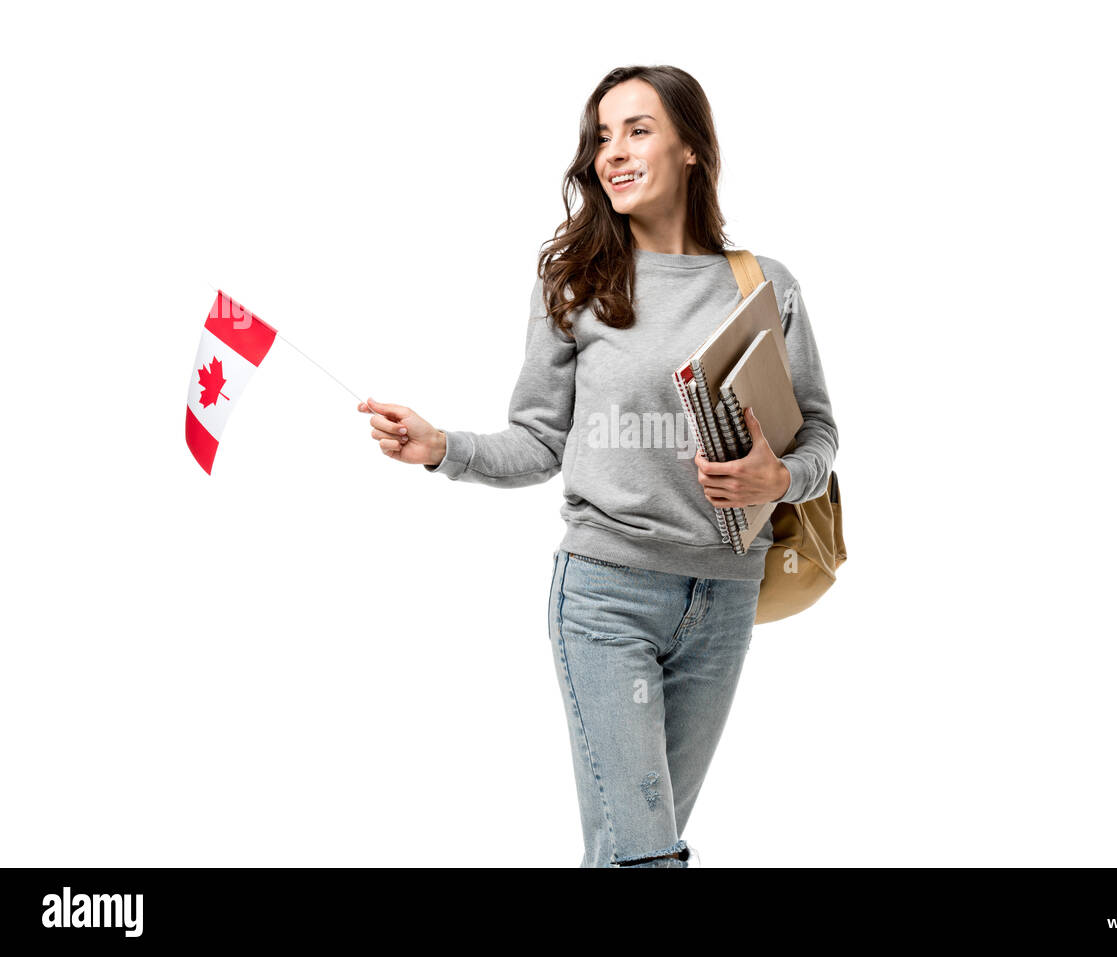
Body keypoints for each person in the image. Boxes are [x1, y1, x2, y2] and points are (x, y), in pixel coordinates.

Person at [357, 65, 838, 867]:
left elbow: (817, 431)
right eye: (602, 137)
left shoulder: (763, 285)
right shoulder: (575, 283)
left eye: (638, 130)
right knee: (647, 851)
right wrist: (444, 447)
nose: (612, 152)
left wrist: (779, 479)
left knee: (621, 850)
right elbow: (540, 442)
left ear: (691, 147)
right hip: (604, 598)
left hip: (724, 600)